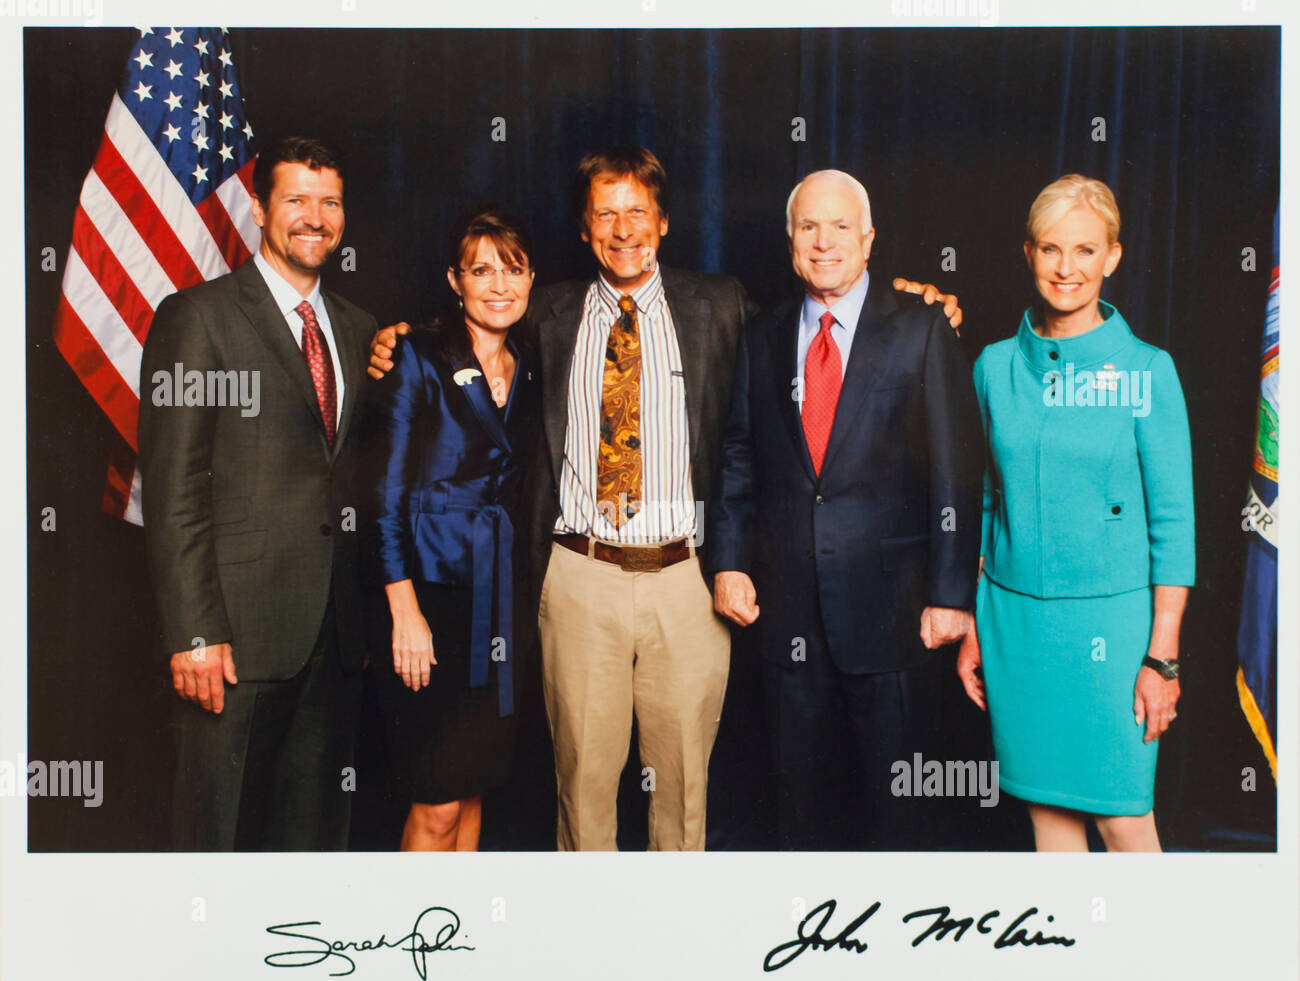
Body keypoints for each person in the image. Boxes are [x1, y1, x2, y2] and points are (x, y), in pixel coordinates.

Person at [369, 148, 960, 852]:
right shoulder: (547, 314)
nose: (624, 229)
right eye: (605, 214)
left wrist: (921, 298)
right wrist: (400, 337)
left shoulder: (722, 308)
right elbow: (468, 333)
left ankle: (669, 938)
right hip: (579, 575)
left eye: (638, 212)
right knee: (581, 782)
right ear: (584, 230)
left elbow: (828, 314)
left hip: (687, 578)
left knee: (683, 788)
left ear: (666, 221)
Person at [707, 169, 984, 851]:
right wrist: (728, 562)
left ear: (868, 239)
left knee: (898, 814)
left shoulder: (920, 328)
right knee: (797, 812)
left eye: (839, 227)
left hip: (894, 617)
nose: (823, 241)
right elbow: (739, 455)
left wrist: (952, 594)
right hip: (787, 617)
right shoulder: (763, 334)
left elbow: (956, 469)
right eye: (808, 227)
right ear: (790, 241)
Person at [139, 136, 377, 851]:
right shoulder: (198, 316)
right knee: (218, 839)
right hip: (233, 641)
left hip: (333, 640)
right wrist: (195, 632)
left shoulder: (359, 328)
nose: (315, 216)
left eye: (329, 201)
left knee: (312, 846)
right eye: (296, 199)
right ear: (258, 208)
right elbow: (174, 488)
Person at [956, 174, 1194, 852]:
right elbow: (984, 502)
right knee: (1046, 814)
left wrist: (1163, 657)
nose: (1068, 268)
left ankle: (1151, 959)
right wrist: (975, 624)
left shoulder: (1149, 371)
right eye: (1052, 249)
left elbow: (1173, 524)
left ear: (1112, 257)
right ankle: (1078, 957)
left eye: (1086, 251)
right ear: (1028, 254)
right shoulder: (993, 367)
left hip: (1115, 632)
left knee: (1122, 818)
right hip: (1015, 625)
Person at [362, 205, 540, 851]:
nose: (498, 284)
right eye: (481, 270)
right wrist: (404, 615)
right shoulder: (415, 354)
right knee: (435, 801)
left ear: (530, 279)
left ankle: (459, 938)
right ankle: (415, 940)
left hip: (502, 602)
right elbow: (382, 497)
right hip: (429, 600)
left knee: (473, 787)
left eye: (513, 269)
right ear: (454, 280)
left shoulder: (532, 359)